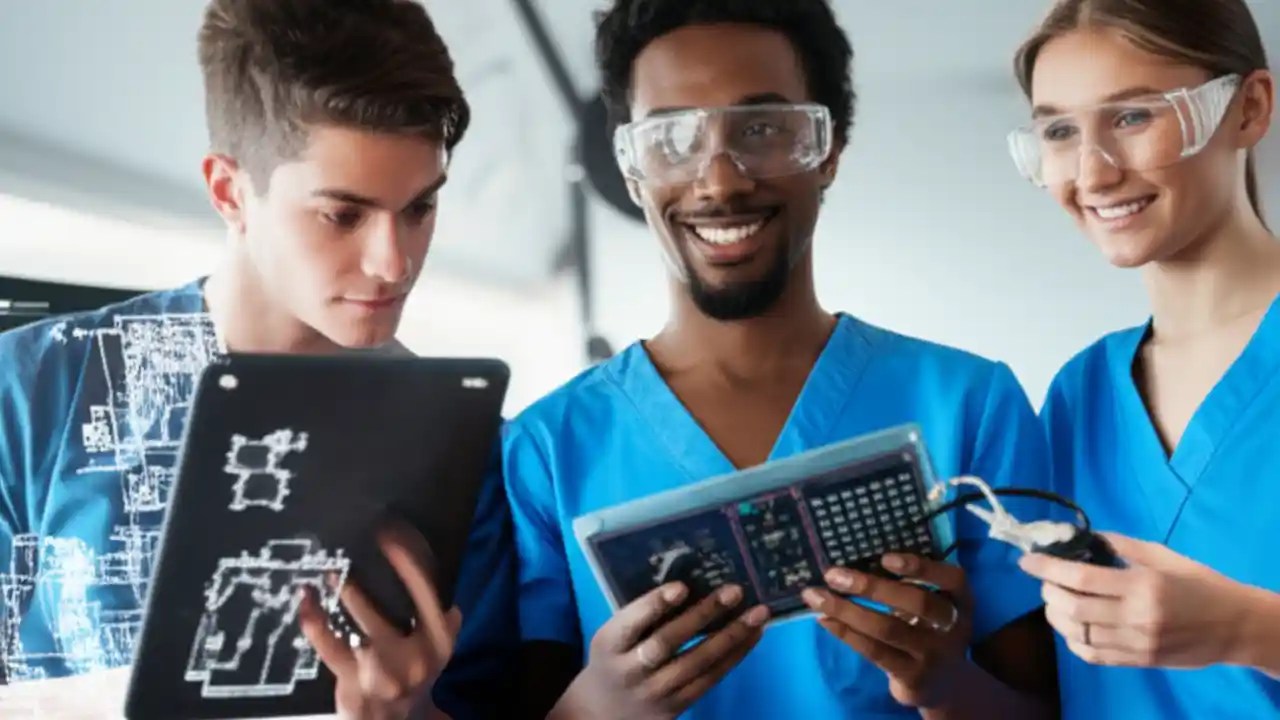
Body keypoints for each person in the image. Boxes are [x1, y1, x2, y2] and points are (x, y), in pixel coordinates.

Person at [502, 1, 1061, 718]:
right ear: (630, 167)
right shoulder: (545, 451)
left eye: (763, 130)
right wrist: (591, 710)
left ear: (828, 150)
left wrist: (948, 687)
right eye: (671, 136)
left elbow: (1050, 705)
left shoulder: (970, 405)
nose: (721, 181)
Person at [0, 1, 515, 718]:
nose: (393, 262)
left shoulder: (466, 444)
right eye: (343, 215)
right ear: (230, 191)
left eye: (420, 209)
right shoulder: (32, 389)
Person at [1006, 0, 1280, 717]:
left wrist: (1246, 629)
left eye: (1133, 117)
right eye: (1059, 131)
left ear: (1249, 109)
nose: (1092, 173)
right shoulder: (1078, 397)